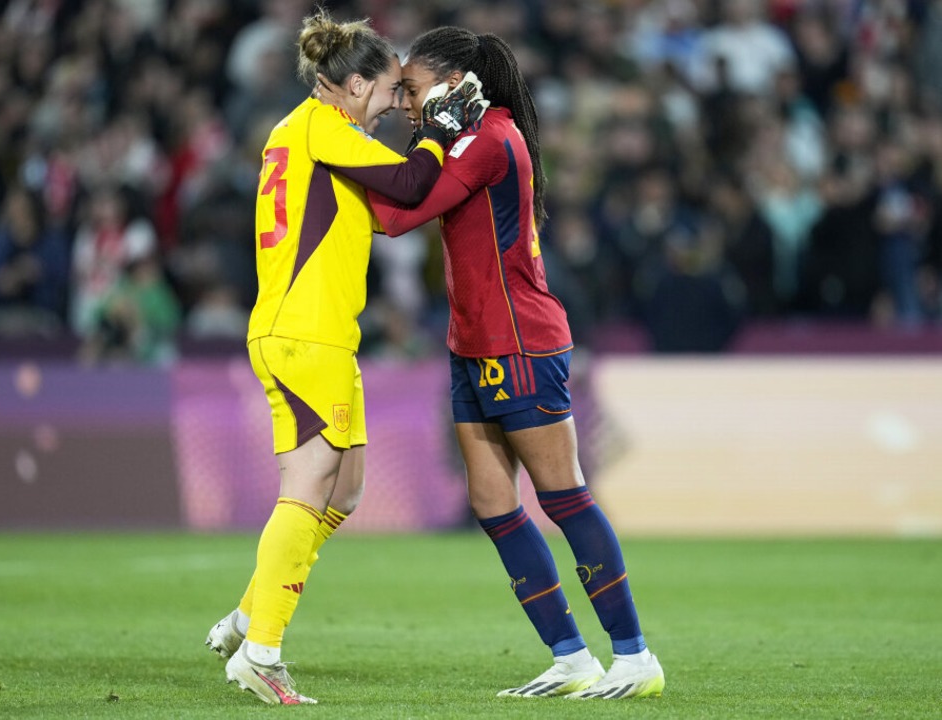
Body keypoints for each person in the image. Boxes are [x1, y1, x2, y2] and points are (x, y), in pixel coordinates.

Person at [366, 27, 665, 700]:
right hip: (470, 344)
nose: (407, 104)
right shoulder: (468, 138)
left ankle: (633, 655)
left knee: (562, 496)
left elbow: (396, 215)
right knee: (492, 502)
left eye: (412, 90)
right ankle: (570, 657)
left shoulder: (489, 139)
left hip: (518, 341)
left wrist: (349, 160)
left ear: (454, 86)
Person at [202, 8, 487, 706]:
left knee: (344, 490)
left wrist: (425, 148)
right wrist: (441, 136)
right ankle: (262, 651)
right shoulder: (327, 131)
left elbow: (390, 211)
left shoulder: (298, 131)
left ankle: (250, 612)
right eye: (391, 91)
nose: (397, 104)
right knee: (307, 484)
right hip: (307, 334)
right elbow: (416, 187)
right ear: (354, 84)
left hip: (311, 332)